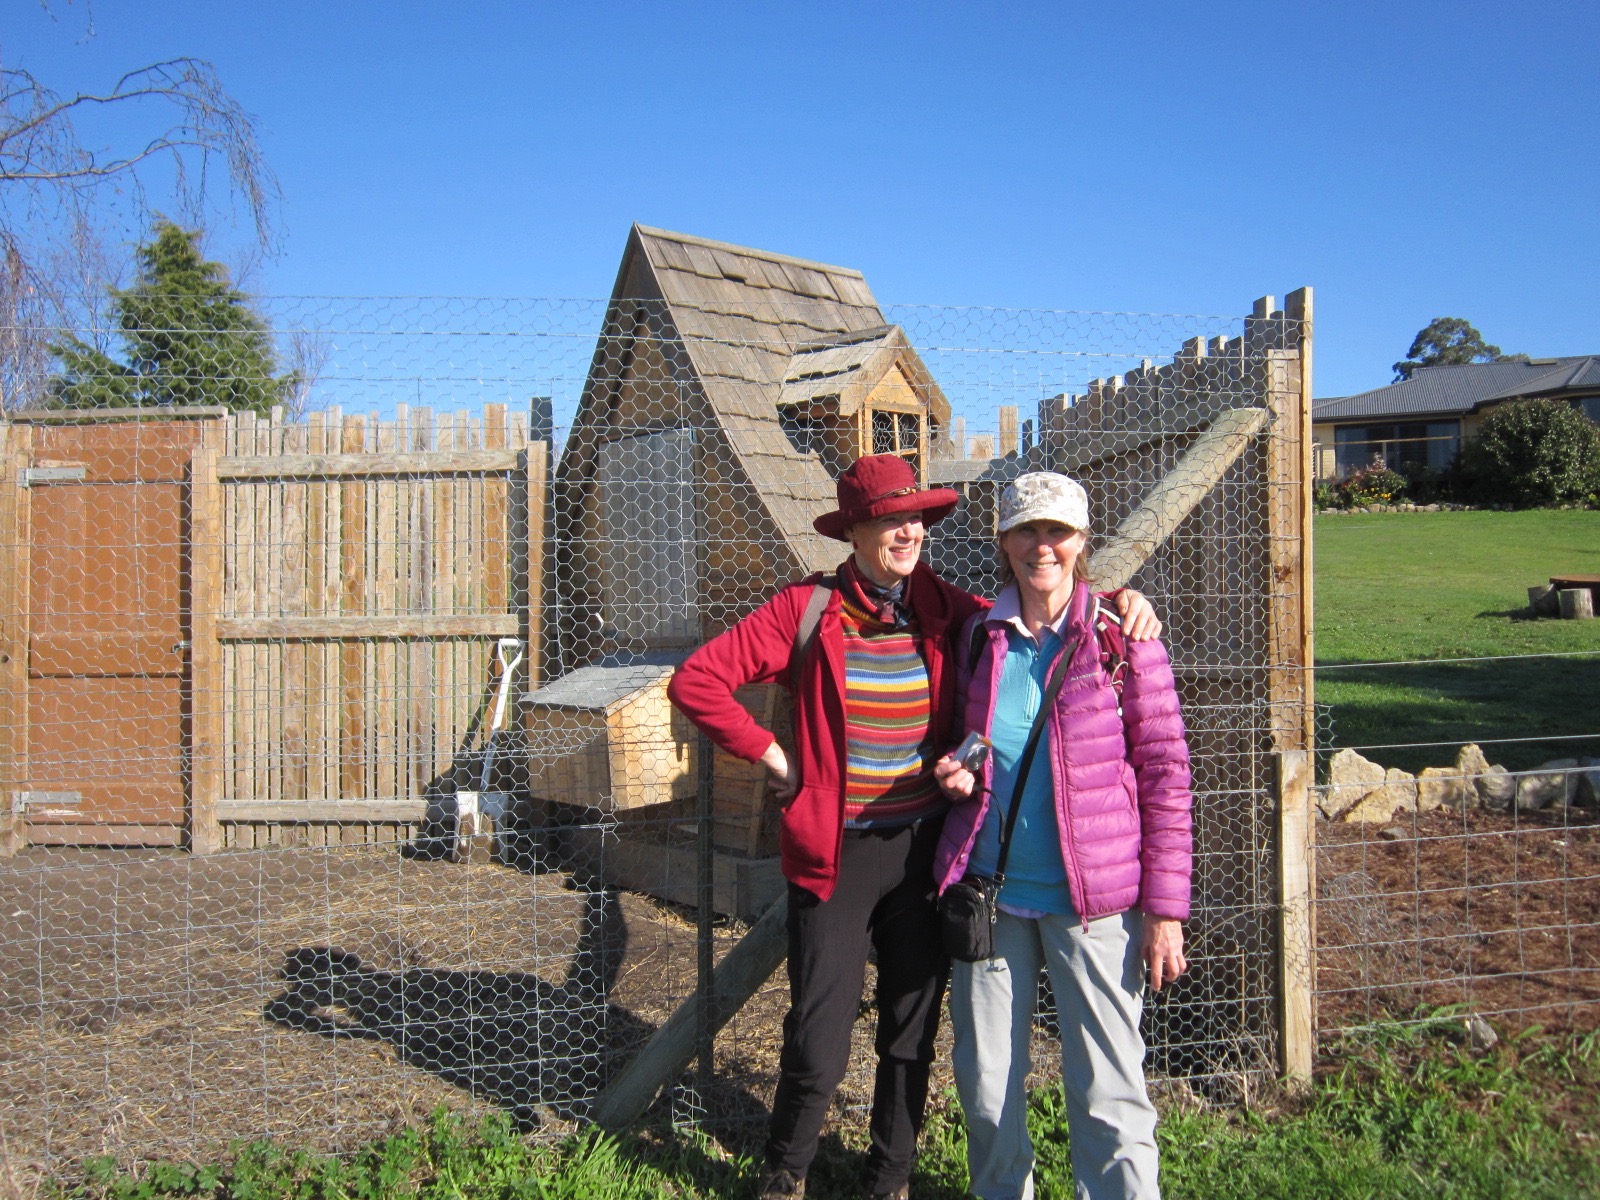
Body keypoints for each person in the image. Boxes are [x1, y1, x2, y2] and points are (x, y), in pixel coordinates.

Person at [668, 455, 1162, 1200]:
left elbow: (1049, 593)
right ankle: (786, 1171)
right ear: (855, 530)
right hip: (837, 851)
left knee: (911, 1024)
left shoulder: (947, 608)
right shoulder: (806, 608)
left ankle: (889, 1179)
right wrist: (774, 756)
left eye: (916, 519)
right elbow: (697, 680)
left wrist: (1123, 600)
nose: (907, 532)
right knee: (818, 1032)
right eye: (888, 520)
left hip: (928, 850)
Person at [932, 471, 1194, 1200]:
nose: (1041, 546)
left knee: (1108, 1096)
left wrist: (1167, 911)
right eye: (1026, 530)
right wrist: (958, 772)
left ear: (1082, 541)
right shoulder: (980, 636)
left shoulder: (1121, 636)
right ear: (1003, 542)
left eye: (1057, 531)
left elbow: (1168, 773)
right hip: (993, 894)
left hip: (1099, 907)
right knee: (986, 1090)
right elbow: (968, 739)